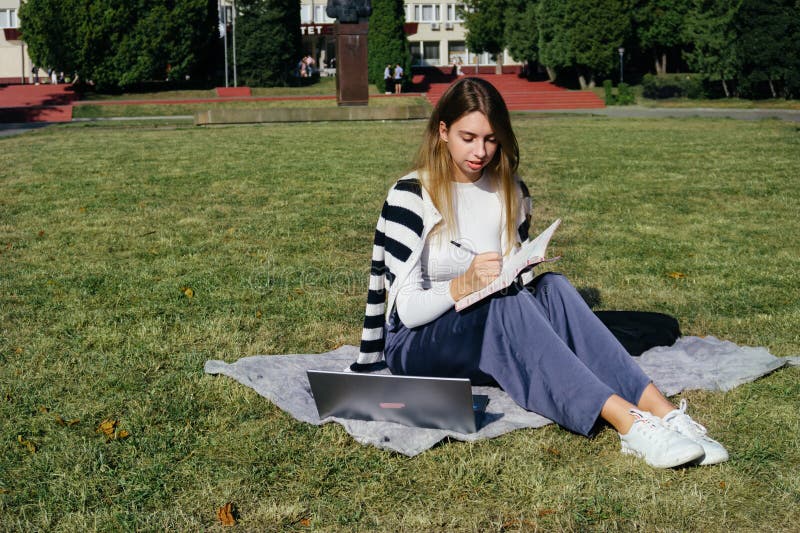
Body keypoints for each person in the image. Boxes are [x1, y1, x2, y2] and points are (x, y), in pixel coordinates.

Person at [353, 77, 728, 468]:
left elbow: (517, 282)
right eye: (468, 137)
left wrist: (524, 267)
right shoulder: (411, 195)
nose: (480, 151)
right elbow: (408, 312)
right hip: (418, 343)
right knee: (502, 306)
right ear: (443, 131)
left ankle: (664, 411)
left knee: (553, 287)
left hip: (485, 324)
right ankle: (628, 422)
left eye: (491, 139)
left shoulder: (509, 189)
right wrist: (464, 284)